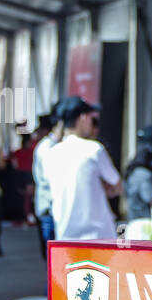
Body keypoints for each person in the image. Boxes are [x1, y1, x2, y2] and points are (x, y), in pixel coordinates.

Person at [41, 96, 121, 241]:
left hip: (65, 238)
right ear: (83, 117)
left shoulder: (51, 154)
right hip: (99, 237)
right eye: (91, 117)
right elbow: (117, 184)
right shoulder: (93, 149)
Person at [32, 115, 61, 257]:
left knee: (53, 256)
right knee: (52, 257)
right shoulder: (47, 147)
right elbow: (49, 178)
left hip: (50, 207)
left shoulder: (49, 146)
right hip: (49, 207)